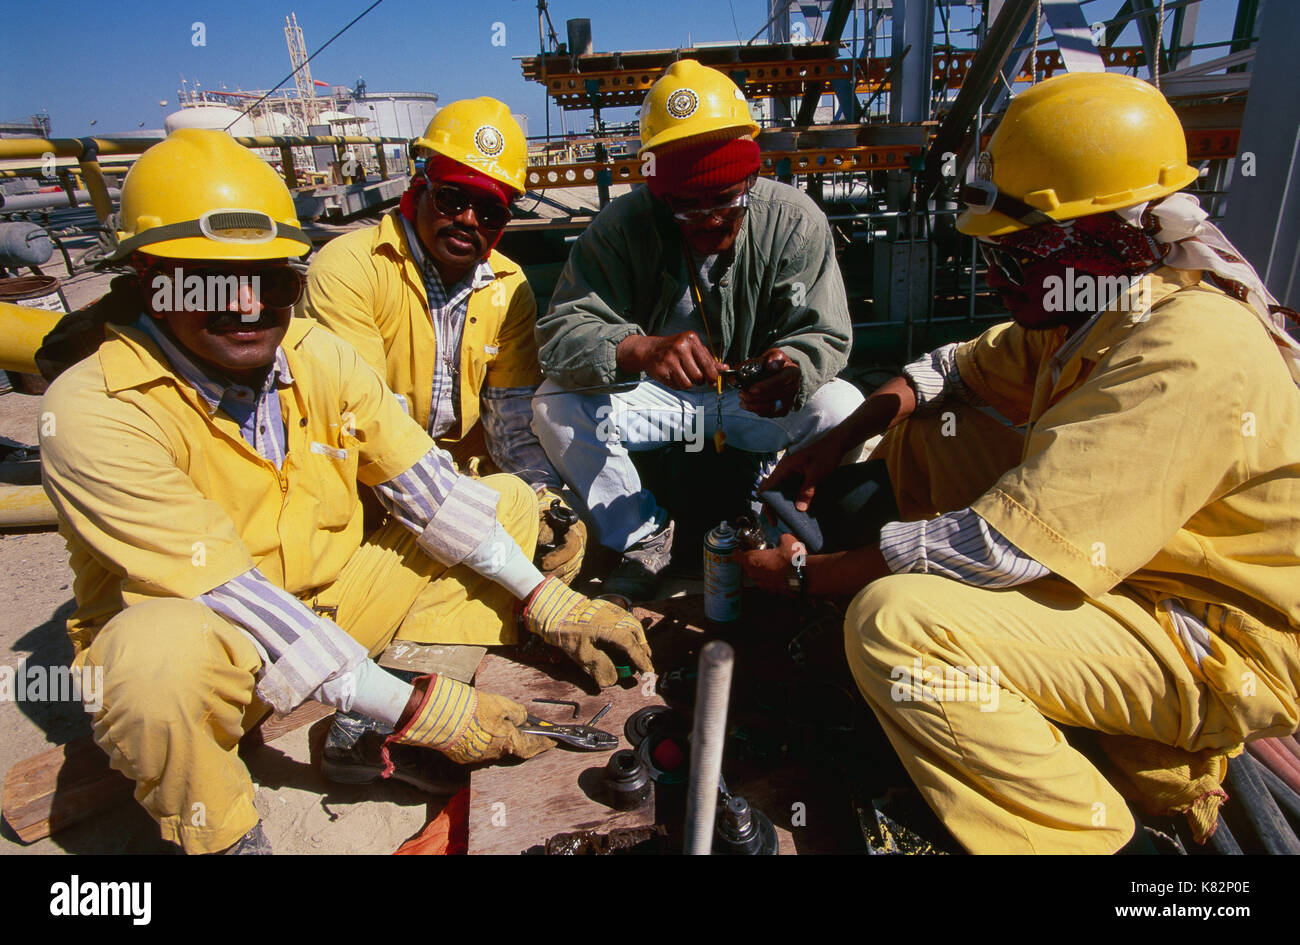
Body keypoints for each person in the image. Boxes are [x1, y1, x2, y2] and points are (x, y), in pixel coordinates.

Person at [38, 129, 653, 854]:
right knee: (152, 663)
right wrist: (424, 706)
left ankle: (361, 723)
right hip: (221, 648)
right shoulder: (96, 406)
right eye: (209, 279)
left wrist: (549, 601)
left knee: (511, 504)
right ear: (148, 275)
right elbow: (228, 594)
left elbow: (433, 496)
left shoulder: (313, 354)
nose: (248, 304)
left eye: (271, 278)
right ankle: (234, 836)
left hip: (337, 600)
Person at [737, 72, 1300, 853]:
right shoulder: (1099, 304)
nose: (998, 275)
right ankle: (977, 677)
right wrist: (836, 438)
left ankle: (1113, 848)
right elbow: (950, 370)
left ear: (1108, 238)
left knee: (897, 626)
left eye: (1019, 252)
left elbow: (1000, 546)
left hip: (1208, 639)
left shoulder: (1190, 349)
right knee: (935, 427)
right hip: (1135, 565)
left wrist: (811, 576)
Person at [531, 59, 863, 603]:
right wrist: (636, 348)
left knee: (844, 405)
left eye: (727, 199)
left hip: (751, 406)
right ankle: (643, 539)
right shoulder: (620, 227)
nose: (709, 218)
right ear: (661, 194)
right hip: (664, 403)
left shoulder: (794, 219)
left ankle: (773, 521)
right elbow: (562, 335)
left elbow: (826, 333)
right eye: (687, 206)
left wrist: (793, 368)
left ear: (752, 178)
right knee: (555, 406)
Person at [304, 99, 585, 585]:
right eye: (453, 200)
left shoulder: (509, 284)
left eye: (491, 211)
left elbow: (513, 423)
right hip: (366, 488)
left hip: (463, 484)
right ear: (419, 191)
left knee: (555, 545)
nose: (469, 220)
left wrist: (544, 500)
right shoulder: (349, 268)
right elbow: (368, 428)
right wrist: (464, 518)